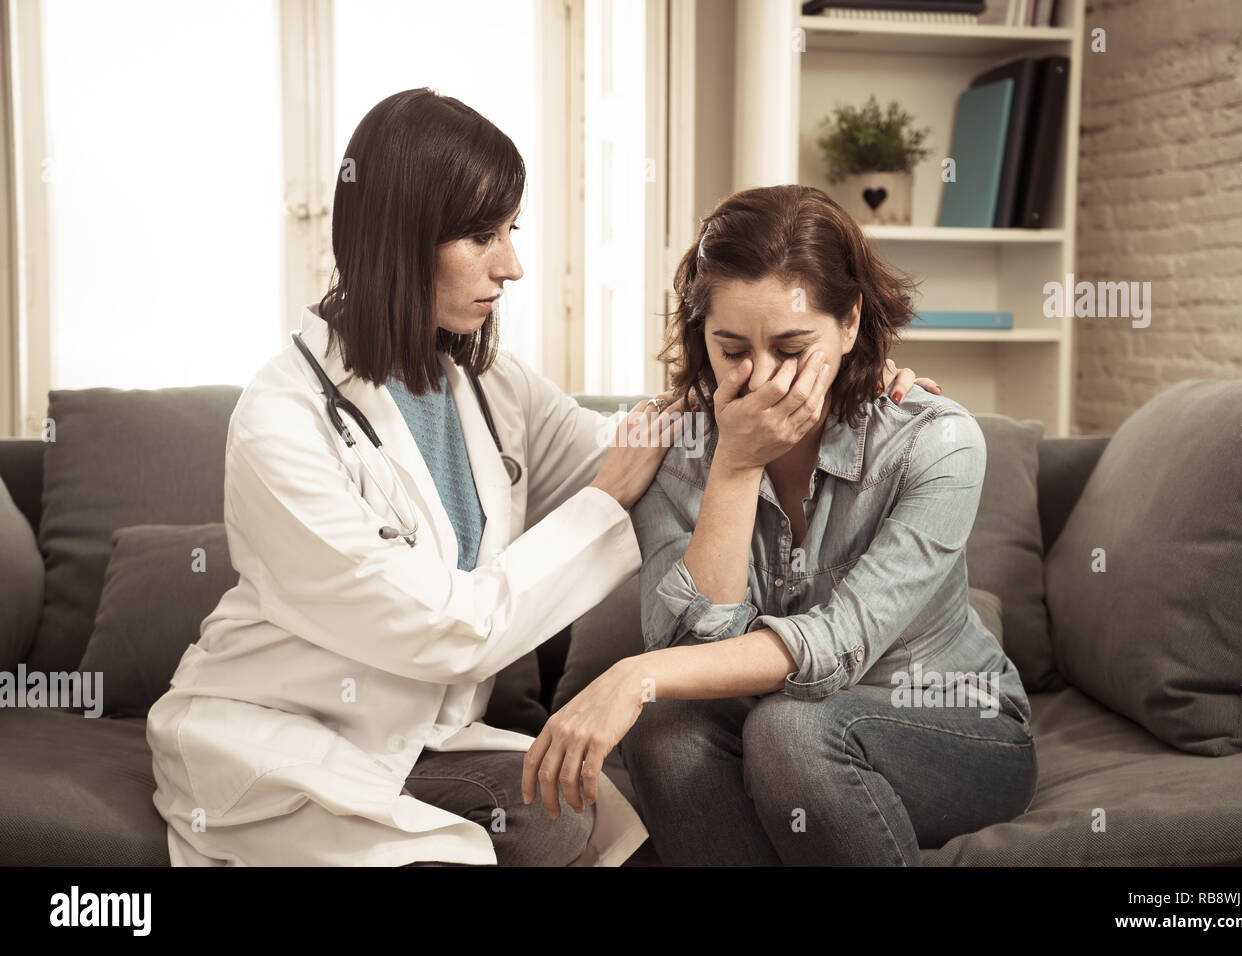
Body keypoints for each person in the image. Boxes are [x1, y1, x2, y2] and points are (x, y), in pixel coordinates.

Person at [145, 88, 937, 866]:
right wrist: (601, 502)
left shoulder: (489, 385)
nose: (514, 265)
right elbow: (444, 629)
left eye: (511, 230)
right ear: (399, 238)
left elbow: (652, 447)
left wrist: (838, 379)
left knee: (570, 816)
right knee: (465, 847)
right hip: (278, 728)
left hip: (420, 741)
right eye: (483, 237)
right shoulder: (281, 419)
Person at [520, 184, 1035, 866]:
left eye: (792, 348)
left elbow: (838, 644)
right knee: (666, 728)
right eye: (732, 348)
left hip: (955, 724)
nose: (761, 378)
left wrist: (634, 675)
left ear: (849, 324)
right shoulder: (673, 450)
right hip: (771, 724)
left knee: (790, 729)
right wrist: (734, 467)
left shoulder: (936, 443)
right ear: (700, 331)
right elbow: (686, 643)